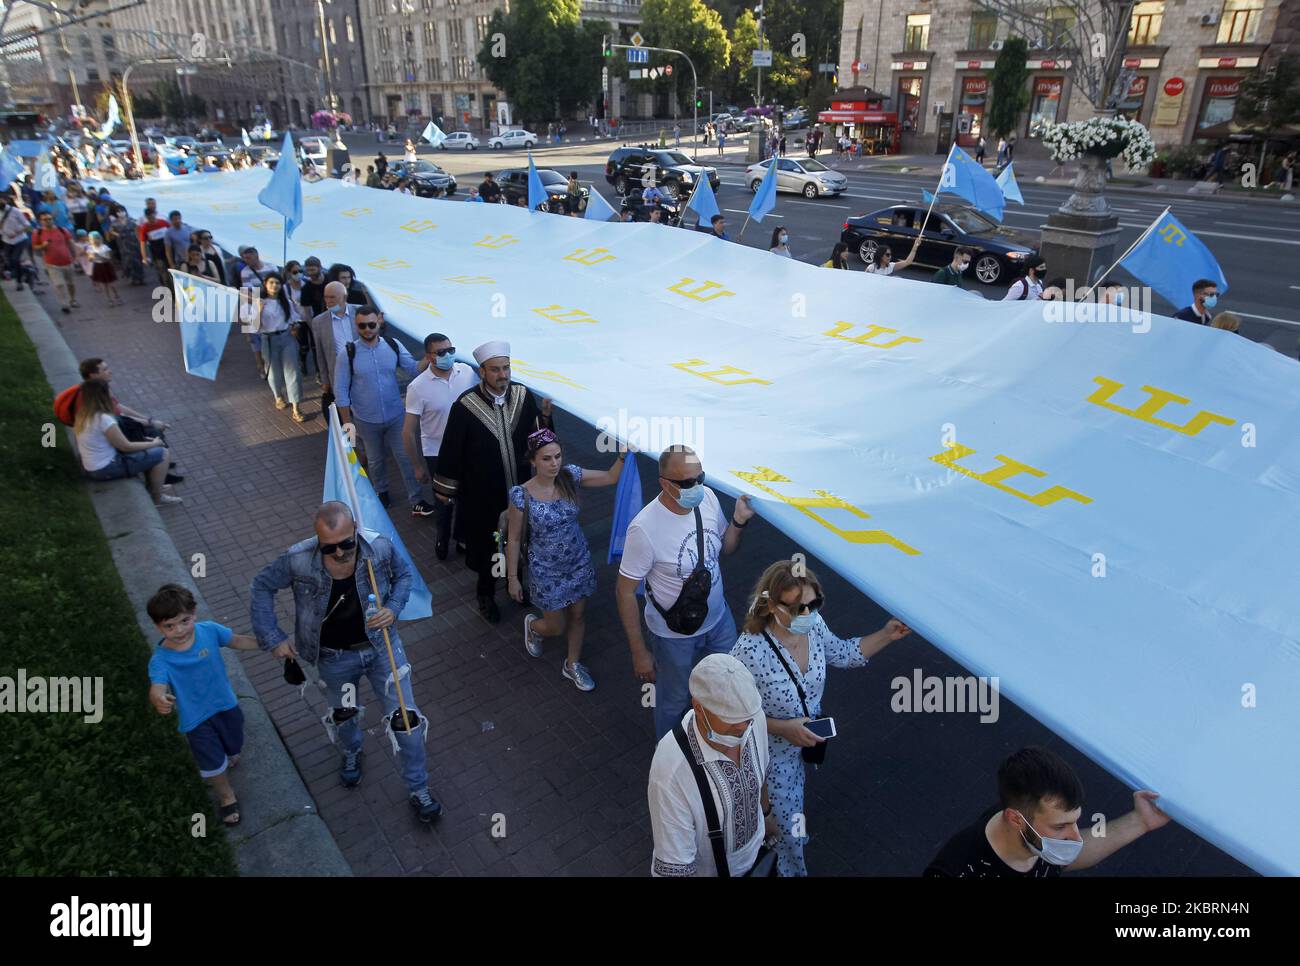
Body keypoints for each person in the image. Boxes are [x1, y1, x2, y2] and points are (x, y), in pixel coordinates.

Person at [250, 502, 443, 823]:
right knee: (345, 714)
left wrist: (393, 607)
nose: (339, 552)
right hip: (333, 658)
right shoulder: (299, 559)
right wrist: (272, 636)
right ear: (317, 541)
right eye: (329, 547)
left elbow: (405, 574)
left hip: (383, 651)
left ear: (355, 529)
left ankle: (418, 787)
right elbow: (261, 584)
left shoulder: (378, 546)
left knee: (405, 722)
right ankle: (352, 750)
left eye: (346, 543)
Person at [731, 560, 911, 875]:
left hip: (803, 744)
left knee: (790, 815)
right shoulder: (749, 651)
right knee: (788, 831)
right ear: (772, 605)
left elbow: (842, 653)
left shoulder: (812, 624)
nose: (809, 613)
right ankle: (790, 866)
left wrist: (886, 634)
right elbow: (731, 715)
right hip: (770, 760)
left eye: (815, 604)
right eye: (798, 607)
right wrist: (783, 728)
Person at [616, 444, 755, 740]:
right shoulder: (644, 528)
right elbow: (624, 592)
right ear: (665, 484)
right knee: (674, 702)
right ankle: (670, 765)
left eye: (701, 478)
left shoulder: (708, 499)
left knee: (727, 685)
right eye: (688, 483)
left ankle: (716, 742)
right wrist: (639, 652)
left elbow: (725, 549)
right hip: (673, 636)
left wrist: (738, 522)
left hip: (719, 622)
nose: (697, 487)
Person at [431, 341, 554, 623]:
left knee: (520, 542)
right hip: (483, 498)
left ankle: (517, 587)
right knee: (489, 551)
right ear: (482, 371)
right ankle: (486, 595)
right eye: (495, 370)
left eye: (506, 368)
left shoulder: (523, 396)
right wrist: (445, 489)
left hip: (521, 492)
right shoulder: (465, 406)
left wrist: (545, 418)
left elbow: (538, 441)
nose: (503, 375)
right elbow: (452, 450)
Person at [925, 746, 1170, 877]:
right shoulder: (957, 871)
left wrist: (1140, 821)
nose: (1075, 837)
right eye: (1060, 826)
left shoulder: (1032, 838)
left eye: (1074, 822)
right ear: (1015, 819)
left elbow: (1066, 858)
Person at [507, 429, 629, 691]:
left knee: (578, 615)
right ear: (533, 461)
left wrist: (623, 454)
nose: (554, 464)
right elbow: (515, 539)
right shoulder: (521, 495)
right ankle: (535, 627)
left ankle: (572, 664)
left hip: (578, 563)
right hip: (546, 570)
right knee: (556, 625)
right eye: (546, 459)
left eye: (557, 456)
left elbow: (611, 477)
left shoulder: (570, 476)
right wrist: (513, 578)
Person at [647, 654, 779, 876]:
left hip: (757, 858)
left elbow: (761, 774)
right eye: (730, 718)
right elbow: (675, 869)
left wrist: (765, 814)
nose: (743, 727)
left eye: (746, 718)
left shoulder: (752, 717)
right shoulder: (670, 772)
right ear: (699, 708)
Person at [147, 584, 257, 825]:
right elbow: (157, 686)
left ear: (194, 613)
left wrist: (267, 643)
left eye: (184, 621)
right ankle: (226, 795)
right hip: (195, 718)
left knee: (234, 740)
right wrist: (159, 698)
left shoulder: (209, 631)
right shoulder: (161, 659)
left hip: (225, 705)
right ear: (157, 627)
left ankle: (230, 752)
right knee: (211, 760)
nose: (179, 630)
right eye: (169, 626)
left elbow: (237, 640)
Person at [335, 304, 424, 510]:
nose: (367, 329)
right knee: (375, 460)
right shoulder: (348, 354)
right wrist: (348, 423)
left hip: (395, 415)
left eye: (371, 324)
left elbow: (412, 369)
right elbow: (340, 391)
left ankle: (416, 499)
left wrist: (429, 359)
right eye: (362, 326)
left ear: (380, 321)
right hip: (365, 419)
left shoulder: (393, 345)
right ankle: (381, 491)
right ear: (356, 326)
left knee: (405, 457)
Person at [404, 332, 478, 547]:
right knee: (444, 502)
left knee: (467, 498)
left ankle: (462, 538)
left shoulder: (466, 373)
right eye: (441, 352)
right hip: (437, 454)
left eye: (451, 350)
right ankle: (442, 539)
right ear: (428, 357)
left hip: (467, 450)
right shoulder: (417, 387)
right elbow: (408, 431)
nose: (448, 355)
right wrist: (417, 467)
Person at [74, 379, 178, 505]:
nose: (112, 394)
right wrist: (154, 443)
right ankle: (157, 497)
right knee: (163, 453)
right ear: (103, 396)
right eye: (109, 390)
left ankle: (156, 486)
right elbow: (126, 447)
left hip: (94, 465)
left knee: (147, 447)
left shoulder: (84, 413)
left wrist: (147, 442)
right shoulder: (104, 419)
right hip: (105, 469)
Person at [242, 273, 305, 422]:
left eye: (277, 283)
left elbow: (294, 319)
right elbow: (254, 327)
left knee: (293, 372)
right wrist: (259, 308)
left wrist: (295, 327)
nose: (274, 285)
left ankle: (296, 407)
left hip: (286, 337)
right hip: (268, 340)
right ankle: (278, 396)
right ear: (265, 283)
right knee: (273, 372)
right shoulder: (259, 302)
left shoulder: (285, 302)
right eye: (271, 282)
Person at [311, 280, 359, 416]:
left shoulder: (360, 312)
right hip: (338, 373)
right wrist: (325, 380)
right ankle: (350, 433)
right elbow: (320, 354)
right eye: (326, 297)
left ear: (344, 297)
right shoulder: (319, 322)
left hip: (360, 369)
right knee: (344, 408)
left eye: (332, 297)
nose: (328, 301)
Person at [31, 211, 77, 313]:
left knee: (71, 283)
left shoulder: (62, 230)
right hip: (52, 263)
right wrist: (43, 246)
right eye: (45, 220)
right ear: (40, 221)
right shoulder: (37, 233)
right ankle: (64, 304)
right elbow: (34, 247)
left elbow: (70, 243)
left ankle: (72, 300)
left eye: (49, 219)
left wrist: (75, 256)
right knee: (59, 284)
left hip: (67, 261)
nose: (48, 221)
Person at [2, 197, 33, 290]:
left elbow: (27, 225)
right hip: (6, 241)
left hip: (19, 240)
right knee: (10, 262)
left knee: (15, 260)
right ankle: (27, 271)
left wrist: (16, 233)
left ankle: (19, 283)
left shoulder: (14, 211)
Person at [85, 230, 121, 306]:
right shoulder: (90, 248)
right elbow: (89, 259)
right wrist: (91, 257)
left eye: (96, 239)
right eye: (92, 240)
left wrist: (99, 256)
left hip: (106, 265)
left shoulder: (104, 247)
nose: (95, 241)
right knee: (105, 285)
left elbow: (108, 258)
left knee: (111, 284)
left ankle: (117, 296)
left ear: (100, 239)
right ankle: (109, 299)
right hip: (99, 266)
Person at [137, 204, 170, 284]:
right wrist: (144, 257)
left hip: (168, 251)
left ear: (155, 214)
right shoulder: (145, 228)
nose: (151, 218)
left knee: (171, 270)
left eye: (152, 216)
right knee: (163, 272)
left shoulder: (164, 223)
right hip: (156, 253)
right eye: (148, 217)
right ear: (146, 217)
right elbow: (143, 243)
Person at [163, 209, 195, 274]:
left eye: (179, 218)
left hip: (192, 258)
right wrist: (171, 264)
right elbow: (168, 250)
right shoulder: (168, 233)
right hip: (180, 260)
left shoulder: (187, 228)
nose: (178, 221)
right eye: (175, 219)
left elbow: (193, 240)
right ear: (171, 220)